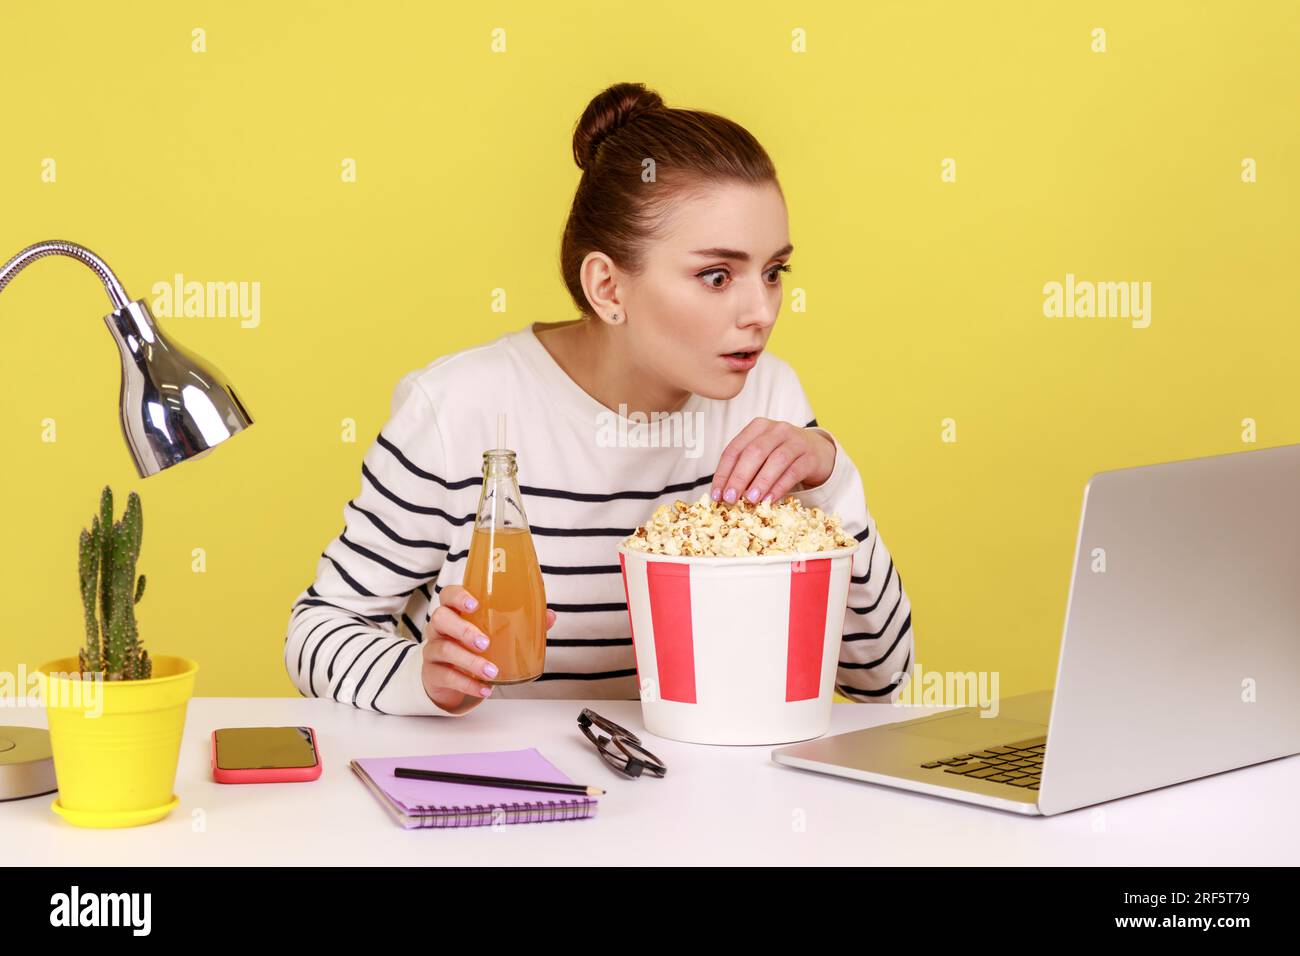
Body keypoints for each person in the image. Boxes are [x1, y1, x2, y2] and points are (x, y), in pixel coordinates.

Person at [284, 81, 915, 716]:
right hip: (495, 790)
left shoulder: (767, 399)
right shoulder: (459, 409)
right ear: (608, 287)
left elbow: (879, 679)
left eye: (774, 272)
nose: (761, 311)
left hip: (689, 789)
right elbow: (317, 630)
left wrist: (831, 480)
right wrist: (421, 677)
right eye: (716, 276)